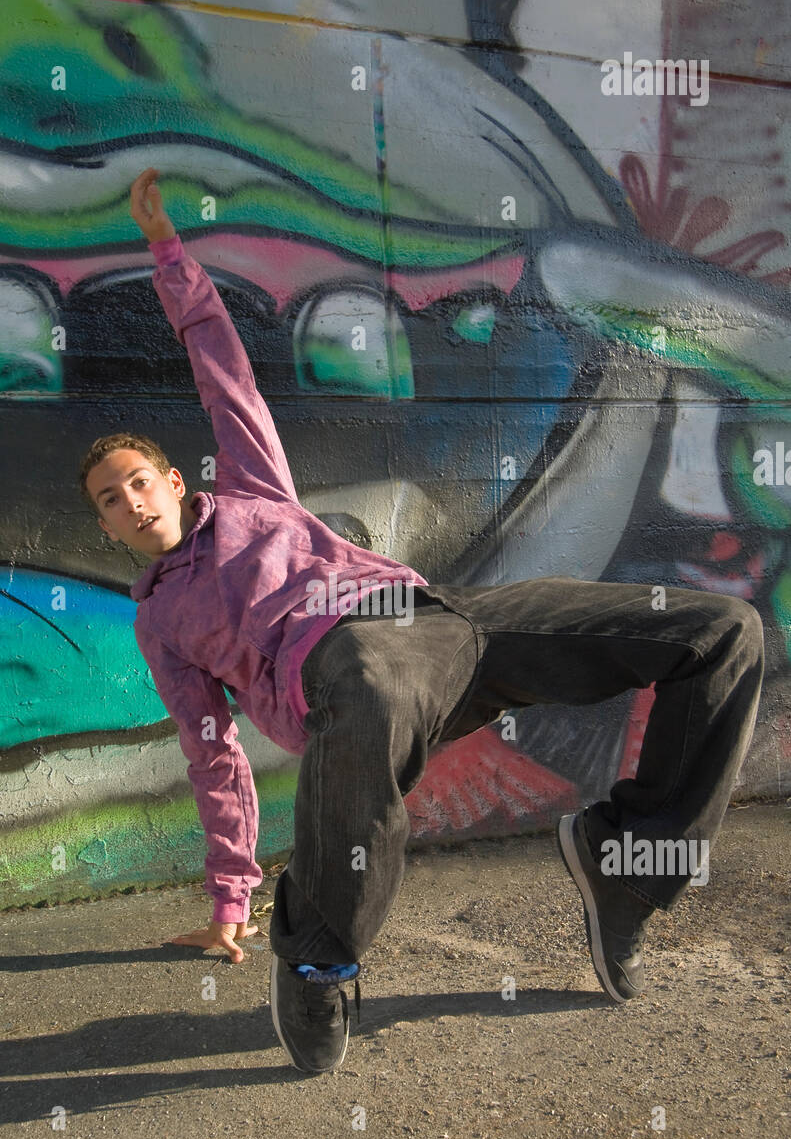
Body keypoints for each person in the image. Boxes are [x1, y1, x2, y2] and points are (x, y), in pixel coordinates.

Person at [79, 167, 765, 1077]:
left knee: (718, 635)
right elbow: (214, 753)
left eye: (137, 480)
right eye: (107, 502)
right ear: (107, 527)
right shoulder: (163, 620)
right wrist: (227, 897)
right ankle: (317, 959)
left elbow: (220, 363)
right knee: (365, 679)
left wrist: (168, 252)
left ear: (173, 481)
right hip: (349, 666)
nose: (128, 502)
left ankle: (629, 864)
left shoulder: (250, 487)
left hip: (449, 619)